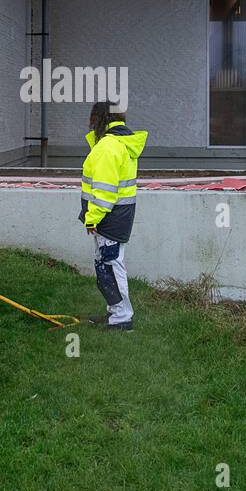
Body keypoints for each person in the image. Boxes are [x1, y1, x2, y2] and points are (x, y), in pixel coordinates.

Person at [78, 101, 148, 331]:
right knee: (107, 265)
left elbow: (104, 193)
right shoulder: (119, 143)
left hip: (108, 219)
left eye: (92, 119)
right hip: (117, 217)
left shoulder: (108, 147)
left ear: (99, 119)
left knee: (110, 267)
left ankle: (122, 318)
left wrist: (92, 218)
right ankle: (116, 312)